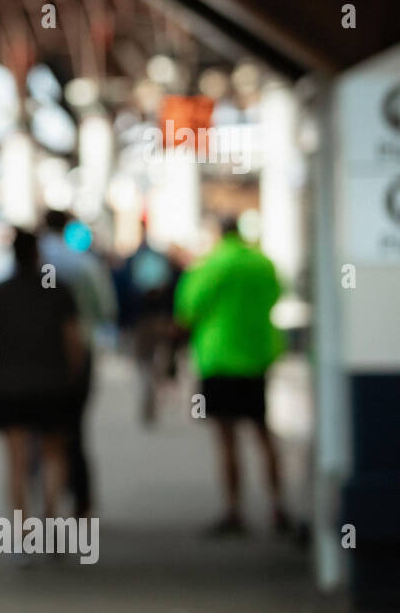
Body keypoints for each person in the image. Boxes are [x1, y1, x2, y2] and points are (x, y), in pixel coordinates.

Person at [175, 215, 287, 536]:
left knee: (227, 439)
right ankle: (278, 506)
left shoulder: (210, 265)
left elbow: (188, 308)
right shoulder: (262, 263)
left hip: (219, 358)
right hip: (256, 356)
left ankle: (234, 510)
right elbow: (276, 295)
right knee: (263, 434)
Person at [0, 229, 84, 538]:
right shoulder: (58, 291)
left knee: (17, 462)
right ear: (38, 253)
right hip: (52, 384)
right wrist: (71, 377)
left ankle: (23, 533)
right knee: (54, 454)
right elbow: (73, 341)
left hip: (10, 386)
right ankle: (50, 518)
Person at [39, 210, 116, 516]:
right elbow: (106, 309)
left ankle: (47, 502)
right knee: (74, 429)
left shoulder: (33, 262)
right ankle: (80, 500)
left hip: (38, 356)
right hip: (81, 354)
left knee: (42, 434)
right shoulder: (84, 263)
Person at [117, 219, 183, 425]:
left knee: (144, 362)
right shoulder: (159, 259)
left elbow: (124, 292)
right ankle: (152, 392)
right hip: (159, 317)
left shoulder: (133, 260)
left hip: (142, 319)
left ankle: (149, 395)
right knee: (155, 360)